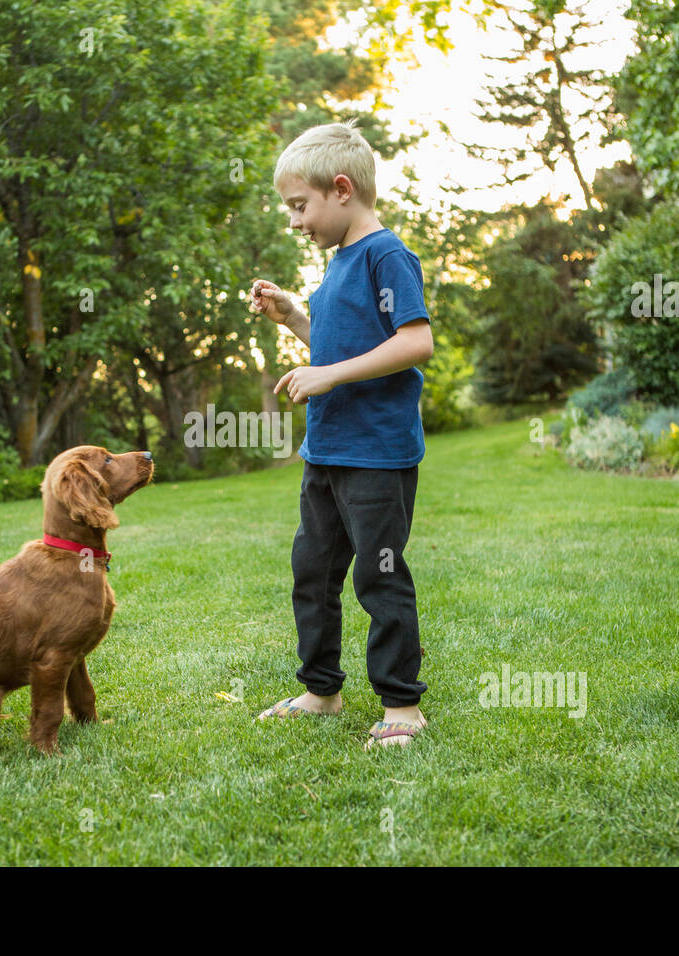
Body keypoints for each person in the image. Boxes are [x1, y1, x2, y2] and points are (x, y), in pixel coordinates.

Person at [249, 118, 433, 750]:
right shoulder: (338, 265)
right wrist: (295, 315)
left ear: (343, 189)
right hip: (325, 453)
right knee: (313, 573)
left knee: (379, 577)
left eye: (300, 206)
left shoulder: (386, 255)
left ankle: (402, 706)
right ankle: (322, 691)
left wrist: (325, 374)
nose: (295, 220)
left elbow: (415, 342)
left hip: (376, 456)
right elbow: (336, 350)